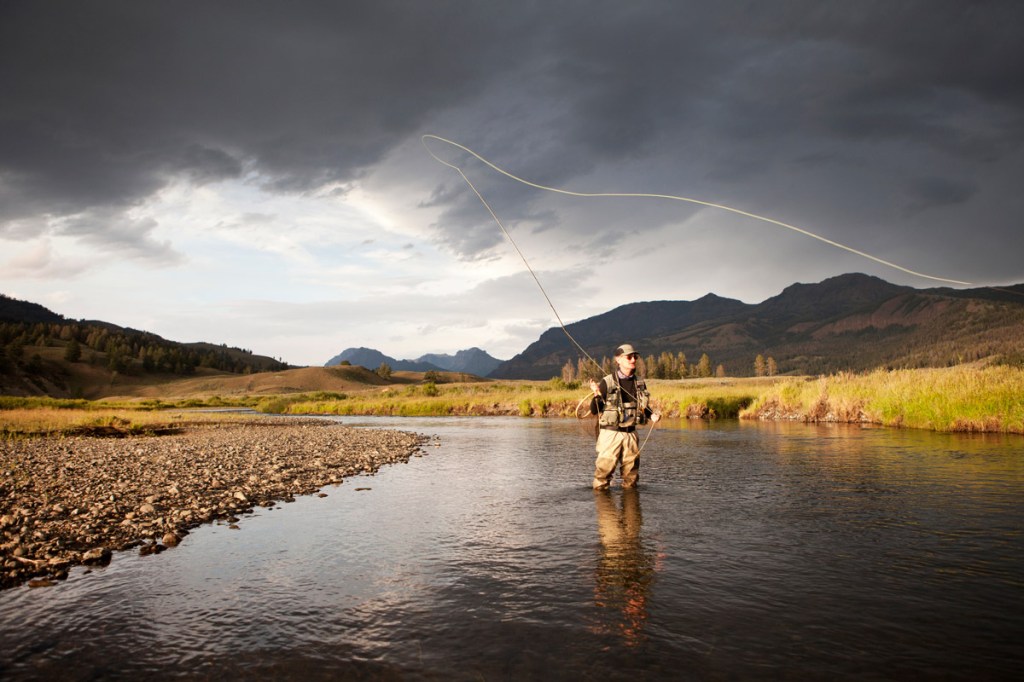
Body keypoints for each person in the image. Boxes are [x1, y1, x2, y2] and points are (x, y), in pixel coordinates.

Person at [589, 343, 660, 489]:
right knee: (603, 475)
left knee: (631, 477)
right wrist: (596, 394)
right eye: (629, 357)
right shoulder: (606, 382)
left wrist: (652, 415)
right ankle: (604, 509)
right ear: (618, 360)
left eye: (635, 356)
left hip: (631, 434)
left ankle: (631, 510)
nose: (633, 359)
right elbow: (594, 410)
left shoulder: (640, 383)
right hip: (611, 434)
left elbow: (643, 407)